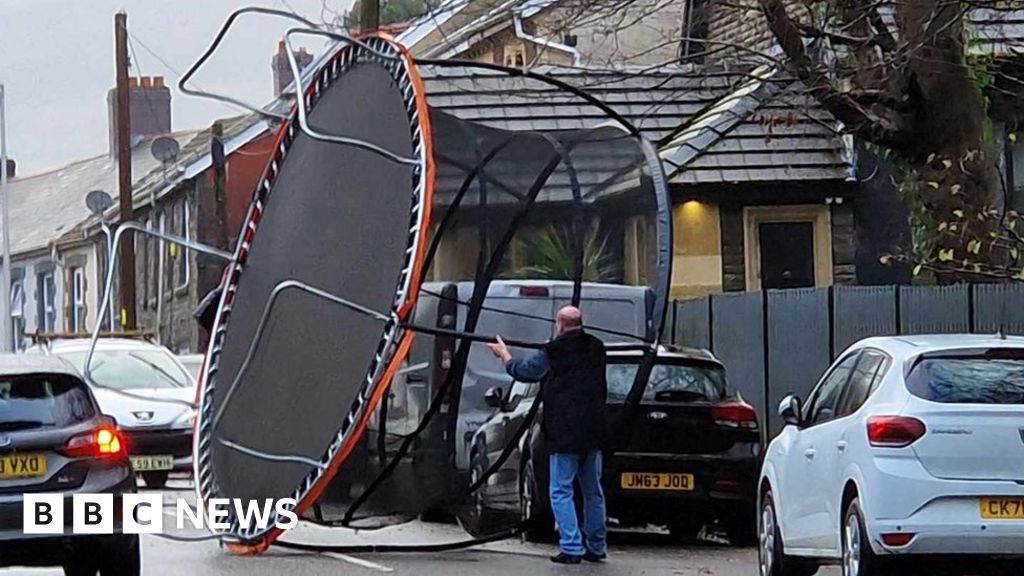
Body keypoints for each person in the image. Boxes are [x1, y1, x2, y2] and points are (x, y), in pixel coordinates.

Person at [487, 306, 608, 565]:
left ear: (560, 325)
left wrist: (505, 356)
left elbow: (525, 371)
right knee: (592, 491)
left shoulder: (553, 352)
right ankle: (596, 546)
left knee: (561, 490)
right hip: (594, 430)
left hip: (564, 431)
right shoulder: (597, 347)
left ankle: (572, 546)